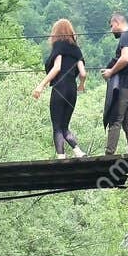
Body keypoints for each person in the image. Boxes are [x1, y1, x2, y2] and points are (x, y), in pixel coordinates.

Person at [32, 19, 86, 158]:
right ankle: (78, 152)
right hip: (72, 90)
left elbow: (57, 68)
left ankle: (61, 157)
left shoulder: (58, 45)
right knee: (65, 127)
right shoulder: (76, 49)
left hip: (60, 88)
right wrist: (81, 85)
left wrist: (41, 85)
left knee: (57, 127)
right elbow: (83, 73)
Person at [101, 11, 128, 158]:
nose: (111, 30)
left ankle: (109, 153)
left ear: (117, 23)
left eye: (111, 26)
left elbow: (125, 58)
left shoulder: (126, 36)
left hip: (124, 85)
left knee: (115, 118)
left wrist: (111, 72)